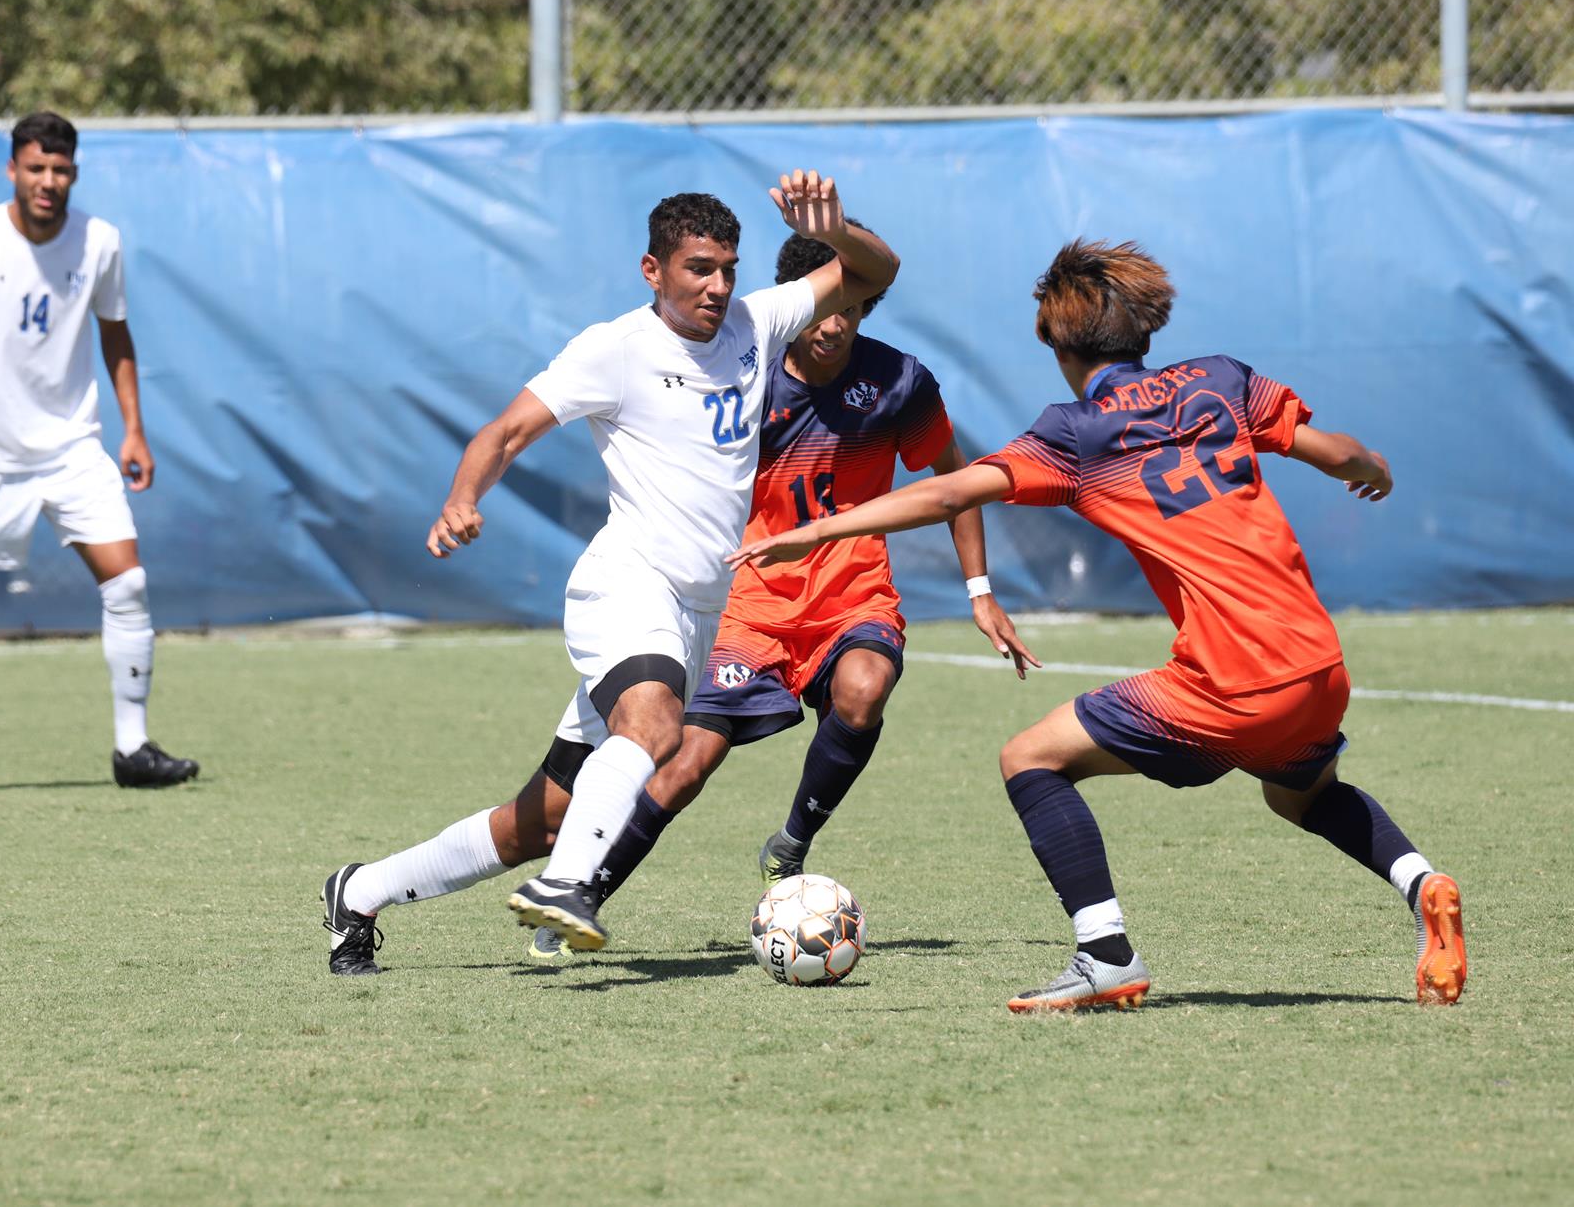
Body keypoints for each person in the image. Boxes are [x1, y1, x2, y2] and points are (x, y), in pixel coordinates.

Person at [730, 239, 1466, 1010]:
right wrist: (1370, 467)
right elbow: (1338, 454)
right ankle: (1421, 882)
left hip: (1233, 679)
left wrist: (818, 530)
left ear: (1057, 344)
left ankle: (1105, 954)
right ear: (1141, 329)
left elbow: (950, 492)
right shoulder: (1221, 380)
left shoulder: (1077, 433)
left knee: (1031, 759)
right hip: (1318, 664)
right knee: (1302, 797)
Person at [320, 173, 899, 974]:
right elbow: (504, 432)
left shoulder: (757, 321)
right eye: (698, 269)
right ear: (652, 270)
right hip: (627, 585)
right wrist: (461, 498)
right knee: (655, 731)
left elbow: (876, 270)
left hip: (697, 613)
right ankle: (567, 887)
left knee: (543, 820)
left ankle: (359, 891)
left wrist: (832, 230)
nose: (717, 286)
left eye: (728, 269)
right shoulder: (615, 349)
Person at [525, 226, 1038, 962]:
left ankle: (792, 842)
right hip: (748, 601)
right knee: (685, 763)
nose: (835, 325)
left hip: (852, 593)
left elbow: (956, 482)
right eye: (825, 309)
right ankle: (584, 893)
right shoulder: (741, 376)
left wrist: (979, 591)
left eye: (853, 310)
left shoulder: (899, 381)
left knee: (864, 690)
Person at [0, 112, 198, 793]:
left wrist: (134, 428)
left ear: (74, 174)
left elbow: (116, 334)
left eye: (60, 170)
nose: (47, 181)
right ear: (12, 170)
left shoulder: (100, 241)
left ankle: (132, 748)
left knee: (128, 584)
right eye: (35, 168)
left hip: (73, 449)